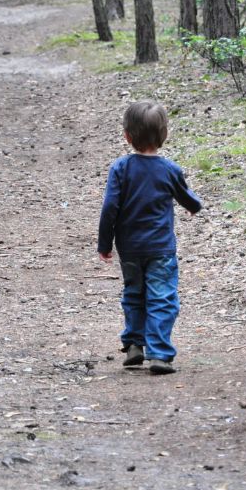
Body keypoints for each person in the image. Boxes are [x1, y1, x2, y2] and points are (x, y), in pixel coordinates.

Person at [98, 101, 202, 375]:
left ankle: (134, 343)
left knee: (134, 293)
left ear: (127, 137)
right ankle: (159, 353)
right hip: (160, 249)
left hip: (129, 248)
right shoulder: (169, 169)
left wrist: (104, 243)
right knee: (162, 297)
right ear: (164, 135)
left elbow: (110, 207)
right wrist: (195, 207)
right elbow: (185, 195)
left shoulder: (120, 168)